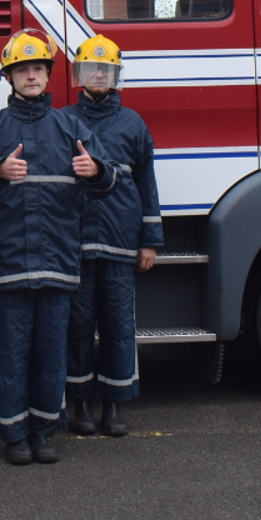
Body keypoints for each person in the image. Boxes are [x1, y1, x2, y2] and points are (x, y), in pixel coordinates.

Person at [0, 29, 121, 466]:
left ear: (48, 74)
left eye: (38, 69)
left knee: (51, 352)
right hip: (9, 264)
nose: (30, 76)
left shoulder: (70, 125)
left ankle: (43, 431)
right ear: (8, 76)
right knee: (11, 354)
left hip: (58, 262)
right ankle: (14, 436)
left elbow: (112, 179)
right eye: (22, 70)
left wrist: (96, 170)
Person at [61, 34, 161, 437]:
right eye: (91, 68)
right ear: (79, 74)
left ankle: (115, 406)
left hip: (121, 241)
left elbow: (147, 183)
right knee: (79, 325)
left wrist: (149, 240)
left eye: (105, 69)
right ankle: (81, 406)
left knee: (119, 325)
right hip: (78, 242)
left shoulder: (133, 123)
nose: (99, 74)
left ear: (116, 75)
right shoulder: (65, 119)